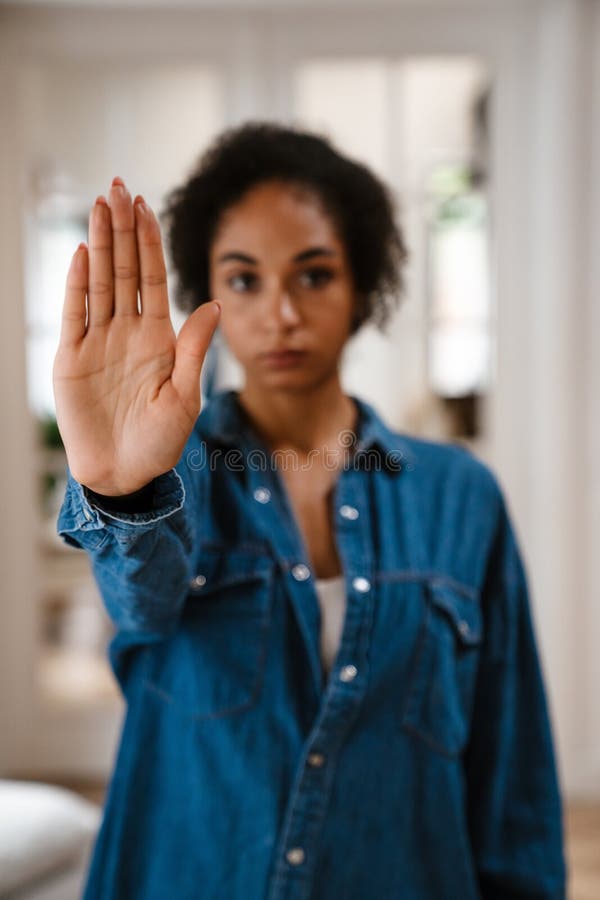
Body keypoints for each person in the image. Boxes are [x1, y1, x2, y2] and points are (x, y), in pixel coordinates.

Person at [53, 122, 567, 899]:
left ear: (364, 284)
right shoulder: (174, 472)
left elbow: (512, 760)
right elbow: (141, 607)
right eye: (245, 278)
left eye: (314, 275)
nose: (281, 313)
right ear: (207, 291)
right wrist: (122, 488)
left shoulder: (460, 495)